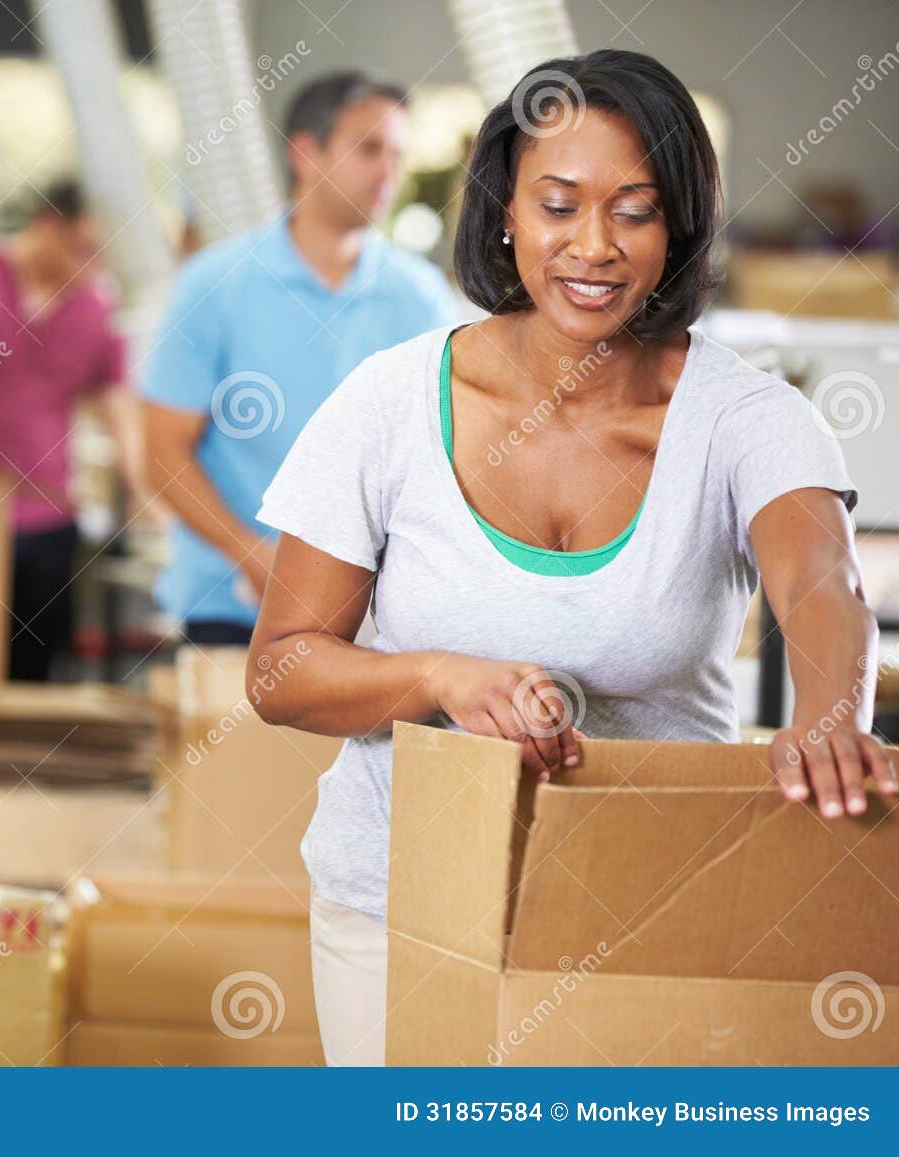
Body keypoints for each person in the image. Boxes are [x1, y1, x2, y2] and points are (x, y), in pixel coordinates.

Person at [247, 49, 899, 1066]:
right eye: (558, 205)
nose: (592, 247)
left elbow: (822, 585)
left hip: (655, 910)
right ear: (504, 212)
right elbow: (280, 667)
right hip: (404, 905)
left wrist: (828, 718)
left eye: (633, 211)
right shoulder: (387, 402)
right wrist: (434, 677)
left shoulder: (747, 418)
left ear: (678, 222)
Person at [141, 71, 462, 646]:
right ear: (305, 152)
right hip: (232, 608)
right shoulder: (214, 285)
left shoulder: (421, 297)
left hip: (378, 622)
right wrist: (253, 558)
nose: (387, 171)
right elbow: (163, 453)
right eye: (368, 149)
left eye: (396, 153)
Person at [0, 181, 141, 681]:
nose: (91, 270)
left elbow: (118, 410)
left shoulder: (94, 310)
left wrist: (147, 495)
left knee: (37, 672)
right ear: (48, 226)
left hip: (48, 517)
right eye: (83, 251)